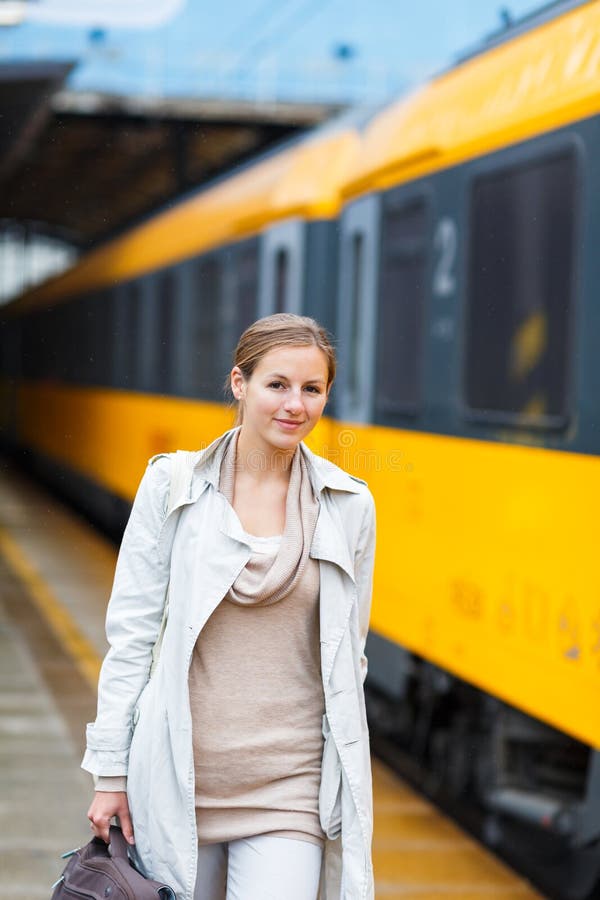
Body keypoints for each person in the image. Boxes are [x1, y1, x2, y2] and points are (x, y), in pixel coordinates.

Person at [83, 313, 377, 900]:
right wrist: (110, 771)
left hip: (289, 788)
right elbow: (133, 637)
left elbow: (351, 658)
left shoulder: (349, 505)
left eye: (312, 389)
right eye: (277, 385)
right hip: (177, 782)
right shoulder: (173, 486)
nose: (295, 405)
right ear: (239, 384)